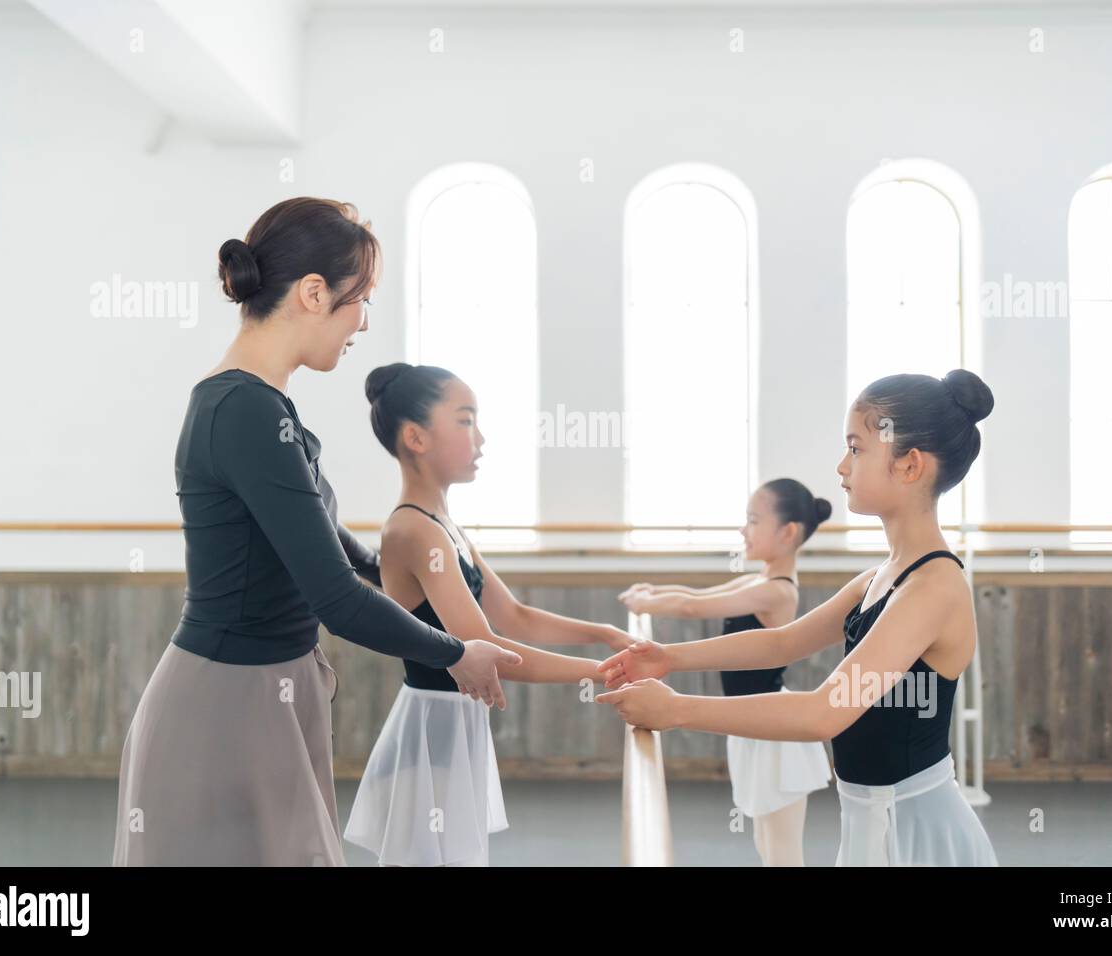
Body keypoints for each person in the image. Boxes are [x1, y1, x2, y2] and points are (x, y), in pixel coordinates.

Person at [112, 198, 517, 867]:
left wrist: (427, 556)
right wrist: (456, 652)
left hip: (273, 689)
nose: (362, 320)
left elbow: (347, 558)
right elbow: (335, 596)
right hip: (224, 704)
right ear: (311, 292)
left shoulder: (269, 409)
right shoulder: (239, 409)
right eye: (360, 299)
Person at [598, 370, 1000, 866]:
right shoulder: (883, 576)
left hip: (916, 827)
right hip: (869, 815)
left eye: (856, 449)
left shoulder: (932, 587)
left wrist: (678, 710)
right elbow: (780, 643)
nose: (841, 466)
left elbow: (824, 712)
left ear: (909, 465)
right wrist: (666, 658)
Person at [343, 363, 633, 867]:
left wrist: (604, 635)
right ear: (415, 436)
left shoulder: (445, 525)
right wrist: (598, 671)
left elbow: (516, 617)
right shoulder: (413, 531)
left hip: (458, 723)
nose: (481, 437)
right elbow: (490, 650)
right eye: (465, 420)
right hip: (432, 727)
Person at [617, 478, 834, 866]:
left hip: (775, 730)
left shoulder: (777, 592)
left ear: (788, 532)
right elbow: (697, 595)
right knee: (767, 847)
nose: (742, 529)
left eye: (752, 520)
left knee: (782, 852)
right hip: (751, 725)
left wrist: (644, 602)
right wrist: (651, 591)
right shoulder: (759, 580)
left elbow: (691, 610)